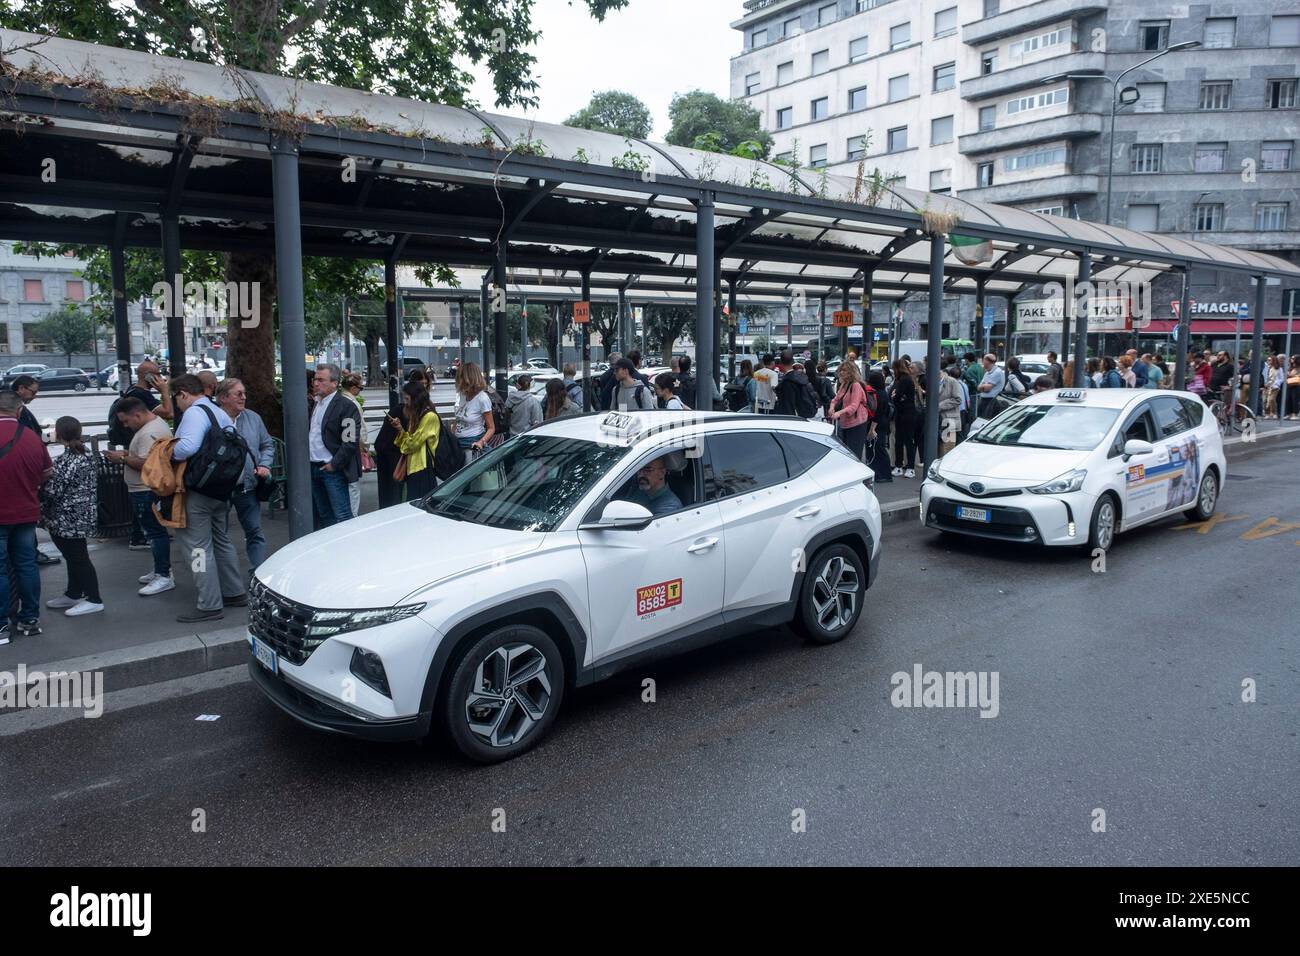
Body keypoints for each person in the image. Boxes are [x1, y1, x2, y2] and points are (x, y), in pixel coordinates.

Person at [169, 374, 247, 623]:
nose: (177, 404)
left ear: (183, 393)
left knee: (198, 549)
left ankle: (209, 603)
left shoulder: (194, 412)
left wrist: (168, 450)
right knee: (221, 541)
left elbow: (187, 448)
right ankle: (234, 592)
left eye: (176, 398)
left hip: (199, 492)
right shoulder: (218, 411)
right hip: (219, 489)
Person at [104, 397, 175, 595]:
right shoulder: (151, 427)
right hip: (144, 488)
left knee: (155, 533)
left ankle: (164, 575)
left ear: (137, 414)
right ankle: (161, 570)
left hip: (146, 489)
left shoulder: (150, 432)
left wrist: (123, 458)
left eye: (126, 421)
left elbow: (146, 463)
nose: (126, 426)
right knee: (153, 532)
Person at [0, 389, 53, 642]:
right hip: (26, 512)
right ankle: (30, 619)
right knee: (27, 565)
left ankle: (1, 626)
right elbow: (46, 472)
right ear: (19, 410)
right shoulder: (31, 437)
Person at [40, 417, 102, 617]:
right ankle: (73, 592)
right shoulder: (86, 454)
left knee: (78, 557)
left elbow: (54, 491)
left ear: (58, 434)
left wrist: (40, 488)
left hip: (66, 517)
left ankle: (94, 599)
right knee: (75, 556)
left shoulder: (68, 459)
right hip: (81, 514)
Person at [215, 378, 273, 570]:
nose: (244, 397)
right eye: (239, 394)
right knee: (218, 535)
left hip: (247, 487)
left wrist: (265, 464)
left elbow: (266, 445)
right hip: (218, 489)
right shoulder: (212, 419)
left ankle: (257, 572)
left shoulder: (252, 418)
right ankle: (223, 576)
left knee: (255, 532)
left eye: (244, 393)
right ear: (223, 398)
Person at [308, 363, 363, 528]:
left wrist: (334, 464)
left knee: (342, 516)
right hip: (314, 467)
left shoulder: (346, 406)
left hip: (333, 470)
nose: (316, 383)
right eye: (314, 380)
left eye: (321, 380)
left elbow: (350, 440)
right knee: (325, 516)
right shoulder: (317, 404)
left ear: (334, 383)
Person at [391, 380, 441, 499]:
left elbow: (412, 444)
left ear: (416, 399)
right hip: (414, 466)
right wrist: (400, 429)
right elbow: (410, 440)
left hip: (422, 467)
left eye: (407, 399)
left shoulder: (429, 416)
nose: (405, 403)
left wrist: (405, 443)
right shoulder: (416, 415)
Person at [453, 362, 496, 463]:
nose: (459, 382)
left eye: (461, 379)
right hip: (458, 445)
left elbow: (491, 428)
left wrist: (481, 442)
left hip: (472, 445)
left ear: (470, 379)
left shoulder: (482, 398)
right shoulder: (461, 395)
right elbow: (459, 418)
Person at [829, 360, 871, 461]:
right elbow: (835, 399)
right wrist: (832, 407)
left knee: (854, 454)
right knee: (847, 453)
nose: (842, 372)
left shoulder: (856, 385)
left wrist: (839, 412)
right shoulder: (844, 384)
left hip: (857, 423)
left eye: (844, 370)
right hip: (846, 423)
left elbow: (854, 406)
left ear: (851, 372)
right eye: (841, 370)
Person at [340, 371, 369, 518]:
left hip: (341, 448)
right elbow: (360, 429)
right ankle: (353, 516)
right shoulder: (353, 404)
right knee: (353, 485)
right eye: (360, 388)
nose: (360, 391)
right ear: (353, 388)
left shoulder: (338, 401)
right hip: (353, 448)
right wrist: (364, 446)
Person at [889, 359, 920, 478]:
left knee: (906, 440)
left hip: (906, 413)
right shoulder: (902, 379)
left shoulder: (904, 379)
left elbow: (895, 395)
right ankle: (901, 466)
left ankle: (908, 467)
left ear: (897, 368)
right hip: (903, 412)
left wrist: (895, 396)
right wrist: (895, 396)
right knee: (901, 440)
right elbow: (893, 394)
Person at [866, 369, 893, 483]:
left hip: (877, 424)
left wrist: (872, 429)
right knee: (877, 447)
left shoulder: (877, 394)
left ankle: (884, 474)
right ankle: (881, 473)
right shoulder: (883, 393)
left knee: (878, 448)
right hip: (882, 423)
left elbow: (877, 413)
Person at [774, 349, 818, 419]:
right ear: (793, 361)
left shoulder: (787, 381)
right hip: (804, 415)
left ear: (781, 362)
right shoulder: (803, 377)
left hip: (792, 420)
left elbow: (788, 406)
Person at [937, 366, 964, 455]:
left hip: (950, 420)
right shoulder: (932, 381)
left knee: (948, 449)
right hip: (937, 420)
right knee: (937, 449)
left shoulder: (952, 381)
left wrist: (939, 406)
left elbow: (958, 399)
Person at [975, 353, 1005, 418]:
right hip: (984, 400)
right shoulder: (987, 372)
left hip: (992, 401)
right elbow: (978, 388)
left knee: (986, 420)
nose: (982, 362)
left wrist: (983, 386)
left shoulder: (997, 372)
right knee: (980, 419)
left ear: (987, 361)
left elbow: (986, 389)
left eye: (983, 360)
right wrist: (983, 387)